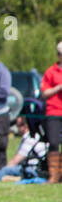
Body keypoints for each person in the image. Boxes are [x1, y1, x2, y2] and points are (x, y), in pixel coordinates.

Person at [0, 116, 47, 181]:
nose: (17, 129)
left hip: (33, 169)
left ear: (25, 126)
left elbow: (15, 161)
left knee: (6, 170)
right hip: (39, 167)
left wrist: (4, 170)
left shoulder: (30, 138)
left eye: (18, 126)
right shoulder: (36, 135)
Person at [41, 41, 62, 184]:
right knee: (53, 142)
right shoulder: (50, 71)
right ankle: (54, 175)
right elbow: (45, 93)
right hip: (54, 111)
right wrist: (59, 87)